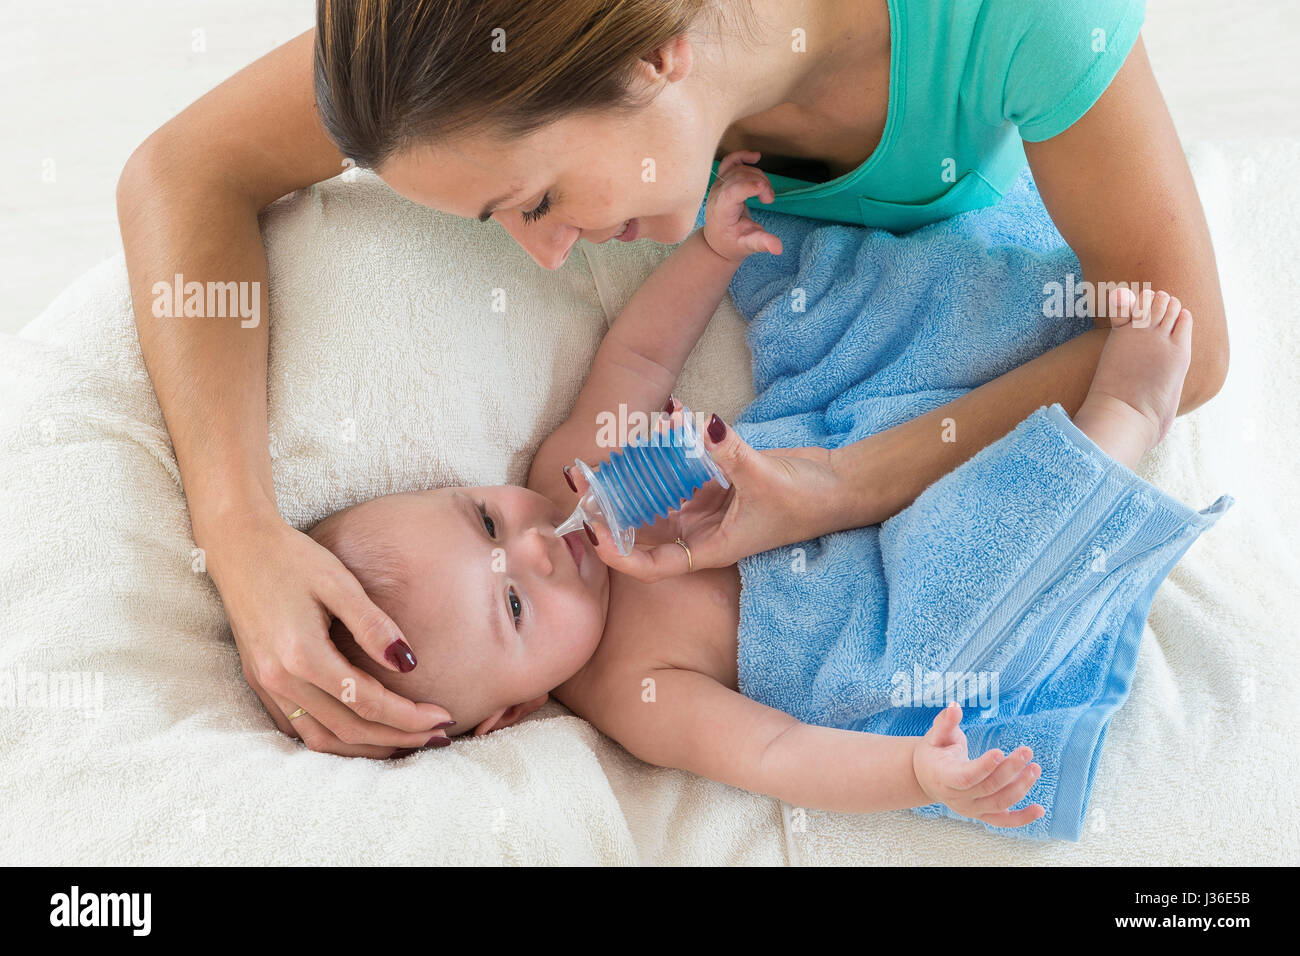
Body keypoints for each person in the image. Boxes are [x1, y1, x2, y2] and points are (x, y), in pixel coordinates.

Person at [116, 0, 1226, 756]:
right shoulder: (482, 47)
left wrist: (841, 482)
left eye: (537, 199)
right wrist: (242, 530)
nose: (548, 255)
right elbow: (185, 167)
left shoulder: (1020, 24)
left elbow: (1193, 341)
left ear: (656, 59)